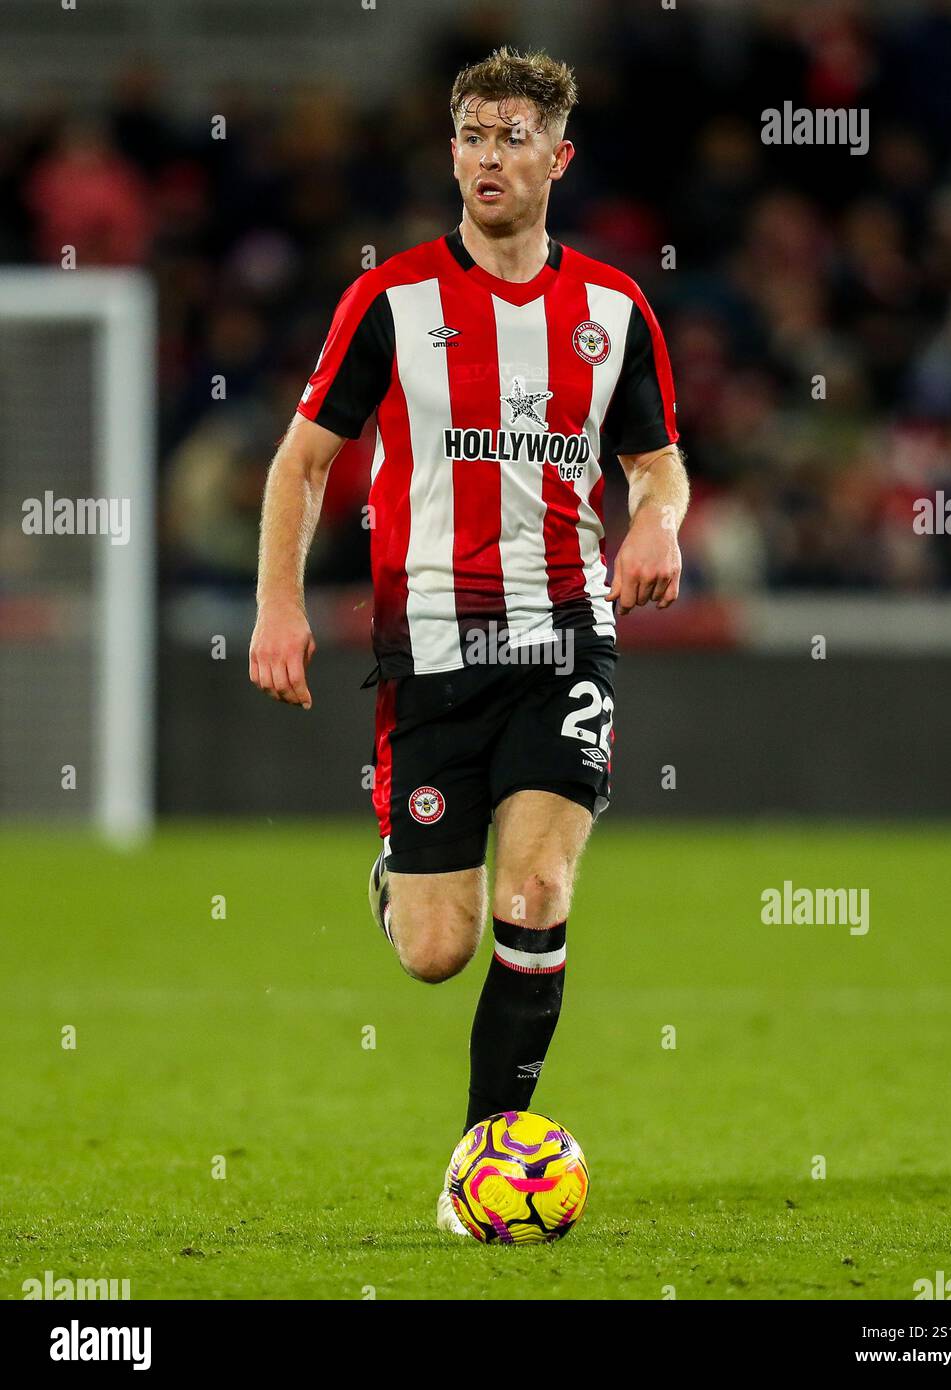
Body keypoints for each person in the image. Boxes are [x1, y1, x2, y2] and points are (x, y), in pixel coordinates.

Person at [249, 46, 689, 1233]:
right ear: (451, 151)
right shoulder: (388, 300)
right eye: (470, 136)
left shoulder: (610, 309)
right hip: (427, 652)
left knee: (538, 887)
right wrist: (279, 606)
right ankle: (400, 874)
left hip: (563, 636)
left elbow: (658, 463)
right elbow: (303, 462)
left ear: (558, 156)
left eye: (511, 137)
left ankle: (480, 1162)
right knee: (437, 952)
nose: (487, 157)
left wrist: (655, 525)